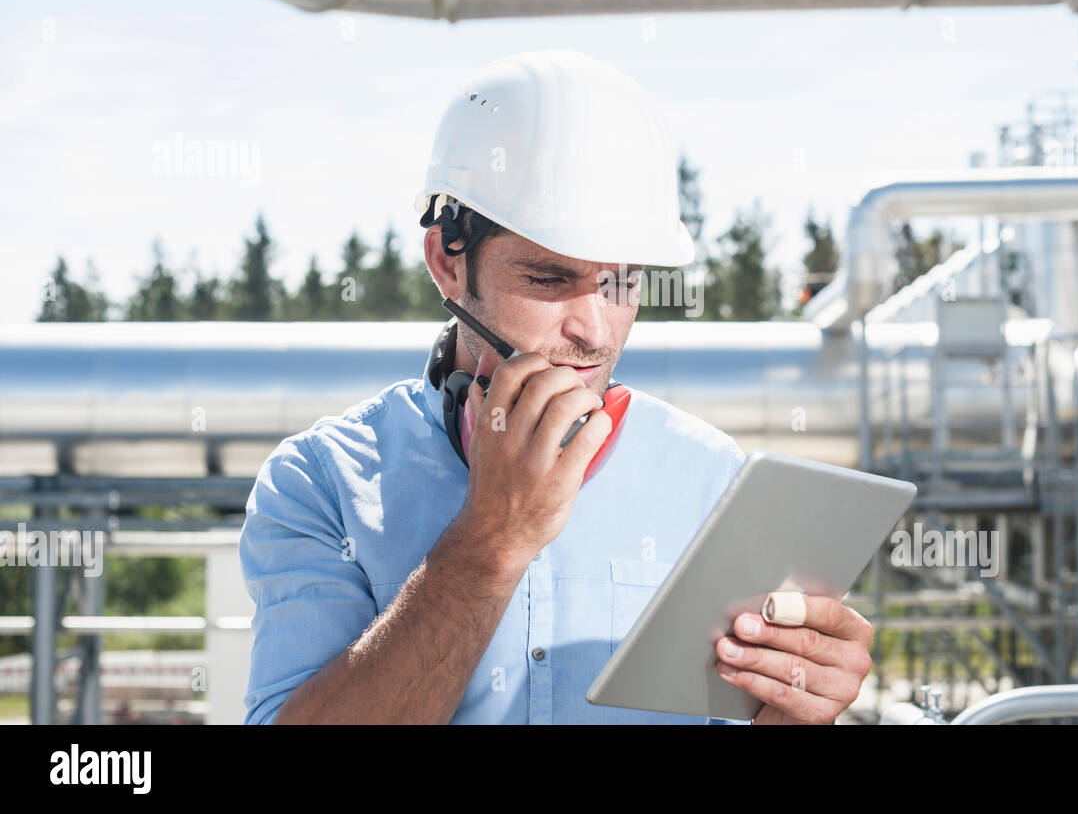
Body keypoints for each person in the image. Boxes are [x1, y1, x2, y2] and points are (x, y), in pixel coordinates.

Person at [238, 49, 875, 724]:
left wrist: (790, 710)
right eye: (548, 280)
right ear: (448, 266)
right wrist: (490, 542)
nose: (595, 331)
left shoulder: (711, 480)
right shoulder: (325, 483)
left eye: (621, 282)